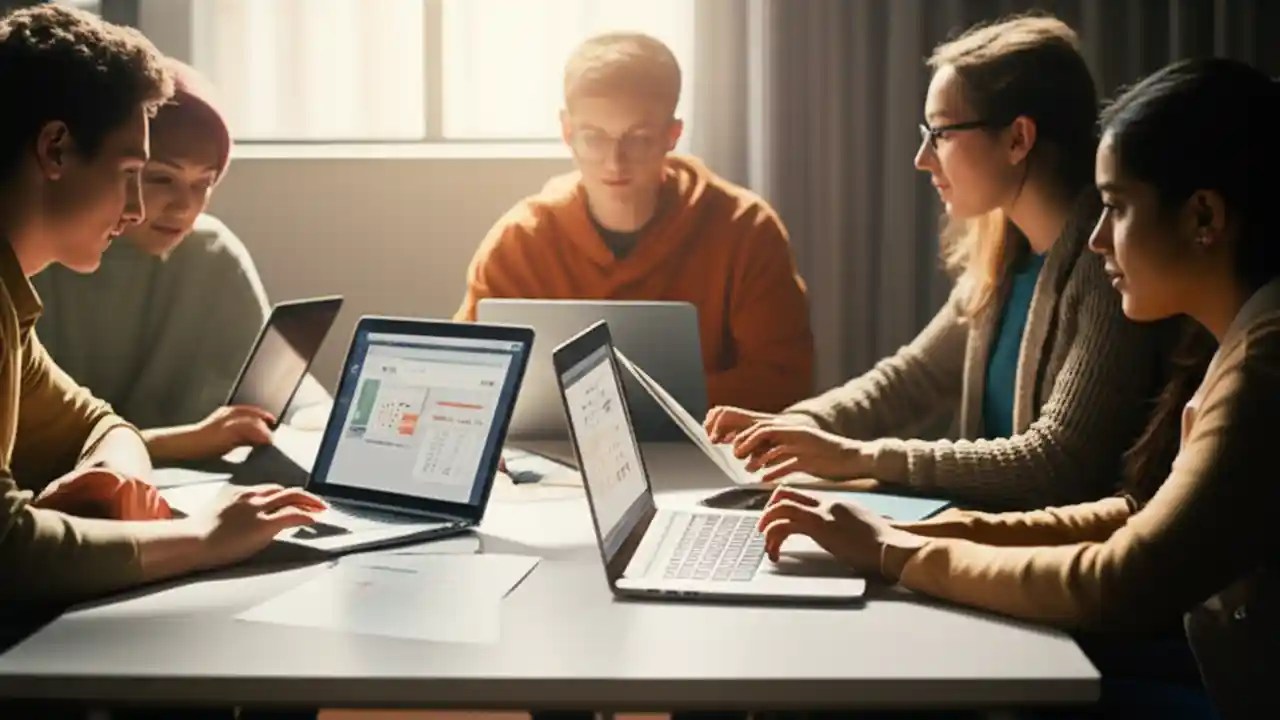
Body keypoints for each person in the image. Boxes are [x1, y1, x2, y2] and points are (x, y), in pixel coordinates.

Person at [758, 57, 1279, 719]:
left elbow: (1119, 577)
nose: (1097, 239)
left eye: (1117, 209)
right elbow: (1136, 514)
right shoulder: (1239, 336)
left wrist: (897, 548)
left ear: (1203, 216)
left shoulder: (1263, 361)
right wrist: (905, 531)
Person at [705, 14, 1171, 512]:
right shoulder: (1003, 251)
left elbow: (1056, 462)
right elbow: (912, 379)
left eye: (941, 134)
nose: (922, 158)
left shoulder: (1107, 270)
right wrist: (797, 425)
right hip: (980, 532)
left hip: (1033, 548)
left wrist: (858, 458)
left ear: (1018, 139)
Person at [0, 3, 325, 606]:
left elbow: (101, 424)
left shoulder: (10, 300)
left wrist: (112, 477)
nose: (134, 211)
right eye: (133, 172)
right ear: (55, 150)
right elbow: (6, 549)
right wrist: (203, 538)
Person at [454, 31, 814, 413]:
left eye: (639, 138)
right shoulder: (520, 242)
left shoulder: (746, 231)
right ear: (567, 131)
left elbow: (784, 380)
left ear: (672, 134)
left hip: (708, 443)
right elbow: (469, 373)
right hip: (550, 447)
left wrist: (624, 403)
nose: (615, 161)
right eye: (594, 138)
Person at [33, 57, 318, 464]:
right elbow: (31, 452)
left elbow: (285, 399)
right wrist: (185, 442)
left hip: (182, 479)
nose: (185, 207)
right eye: (160, 178)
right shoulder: (34, 255)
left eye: (204, 183)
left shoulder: (213, 252)